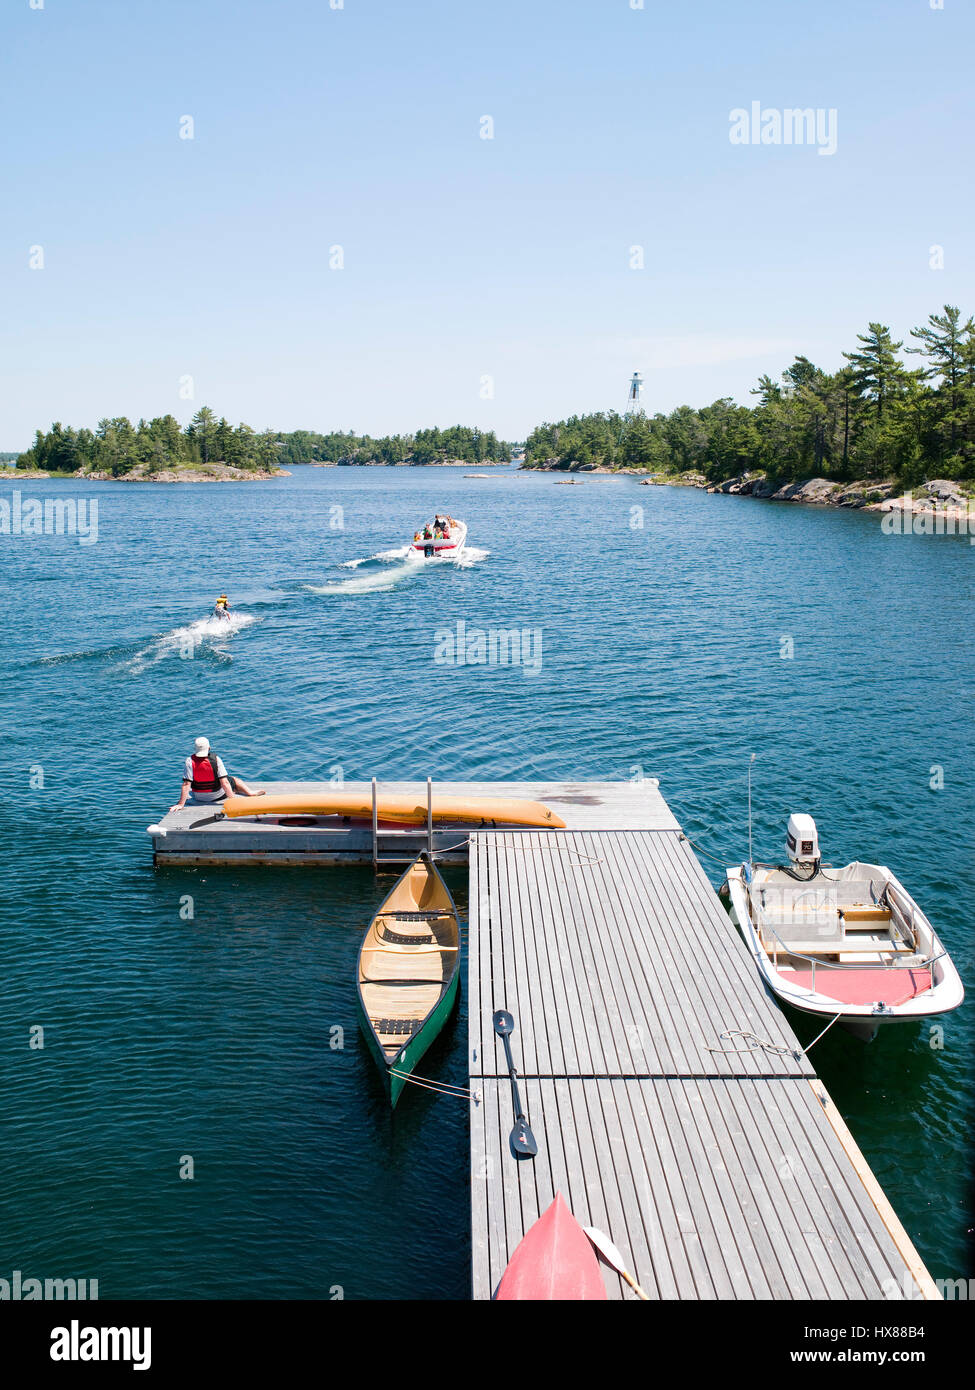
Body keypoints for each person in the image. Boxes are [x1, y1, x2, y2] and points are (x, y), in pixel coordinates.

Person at [170, 737, 265, 811]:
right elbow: (225, 783)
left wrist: (181, 804)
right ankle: (250, 792)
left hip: (199, 797)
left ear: (195, 749)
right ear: (209, 748)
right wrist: (233, 801)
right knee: (233, 779)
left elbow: (186, 785)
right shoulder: (216, 759)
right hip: (218, 796)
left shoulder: (189, 761)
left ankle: (236, 790)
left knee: (191, 786)